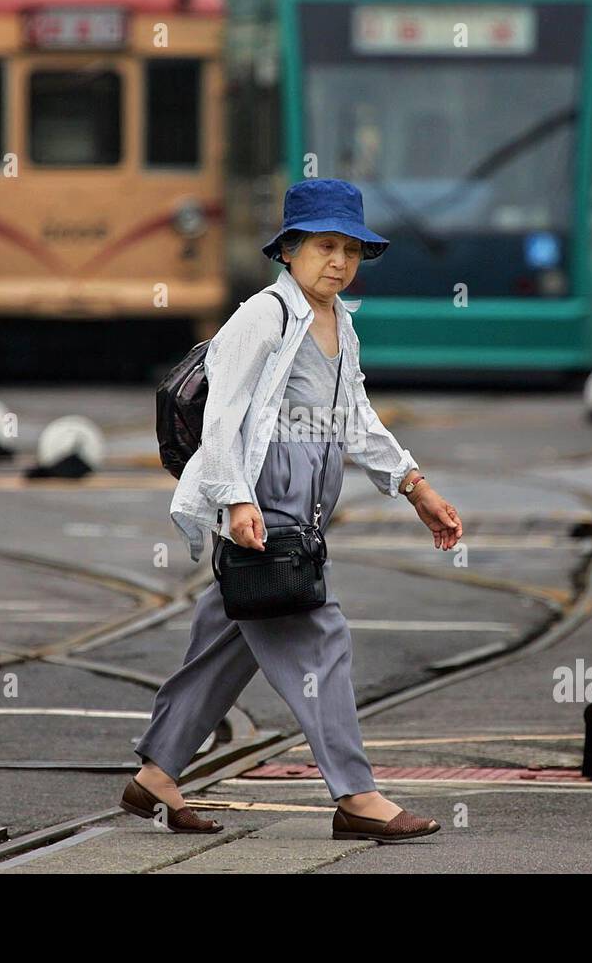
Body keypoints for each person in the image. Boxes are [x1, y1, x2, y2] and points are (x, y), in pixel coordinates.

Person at [122, 179, 463, 842]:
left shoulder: (340, 324)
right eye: (324, 247)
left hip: (299, 518)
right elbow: (222, 416)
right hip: (265, 515)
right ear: (289, 250)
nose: (338, 262)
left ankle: (157, 775)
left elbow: (356, 418)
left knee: (227, 639)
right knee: (320, 639)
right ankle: (357, 795)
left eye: (351, 250)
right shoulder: (264, 317)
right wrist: (238, 500)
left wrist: (414, 484)